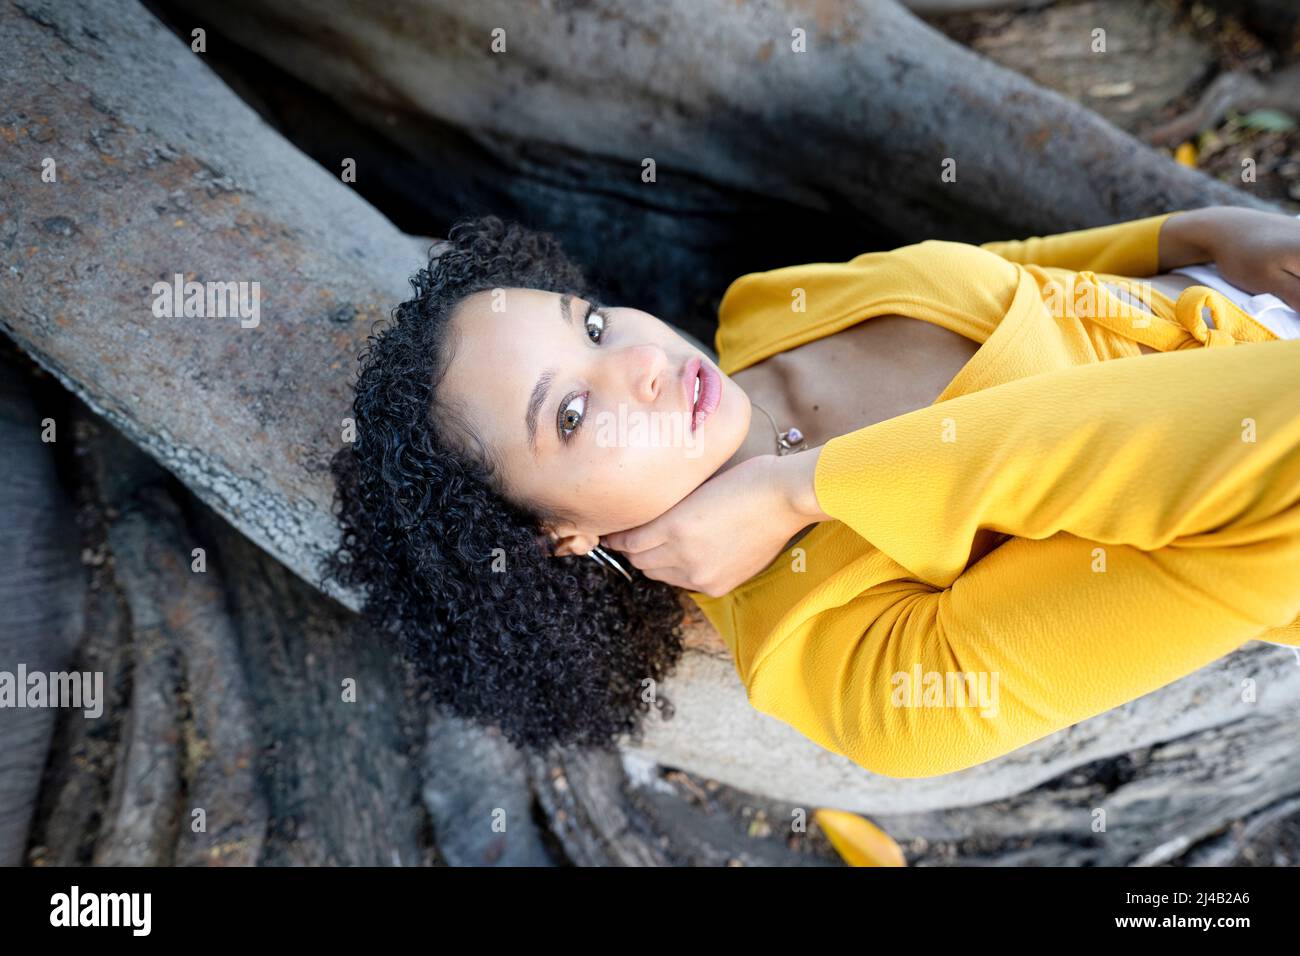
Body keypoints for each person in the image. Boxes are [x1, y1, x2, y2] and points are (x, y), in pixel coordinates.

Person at [325, 206, 1300, 778]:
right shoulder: (856, 670)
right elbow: (1264, 471)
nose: (638, 363)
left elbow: (1031, 281)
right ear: (561, 537)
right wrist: (805, 489)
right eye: (572, 415)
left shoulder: (765, 313)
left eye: (588, 325)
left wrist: (1205, 234)